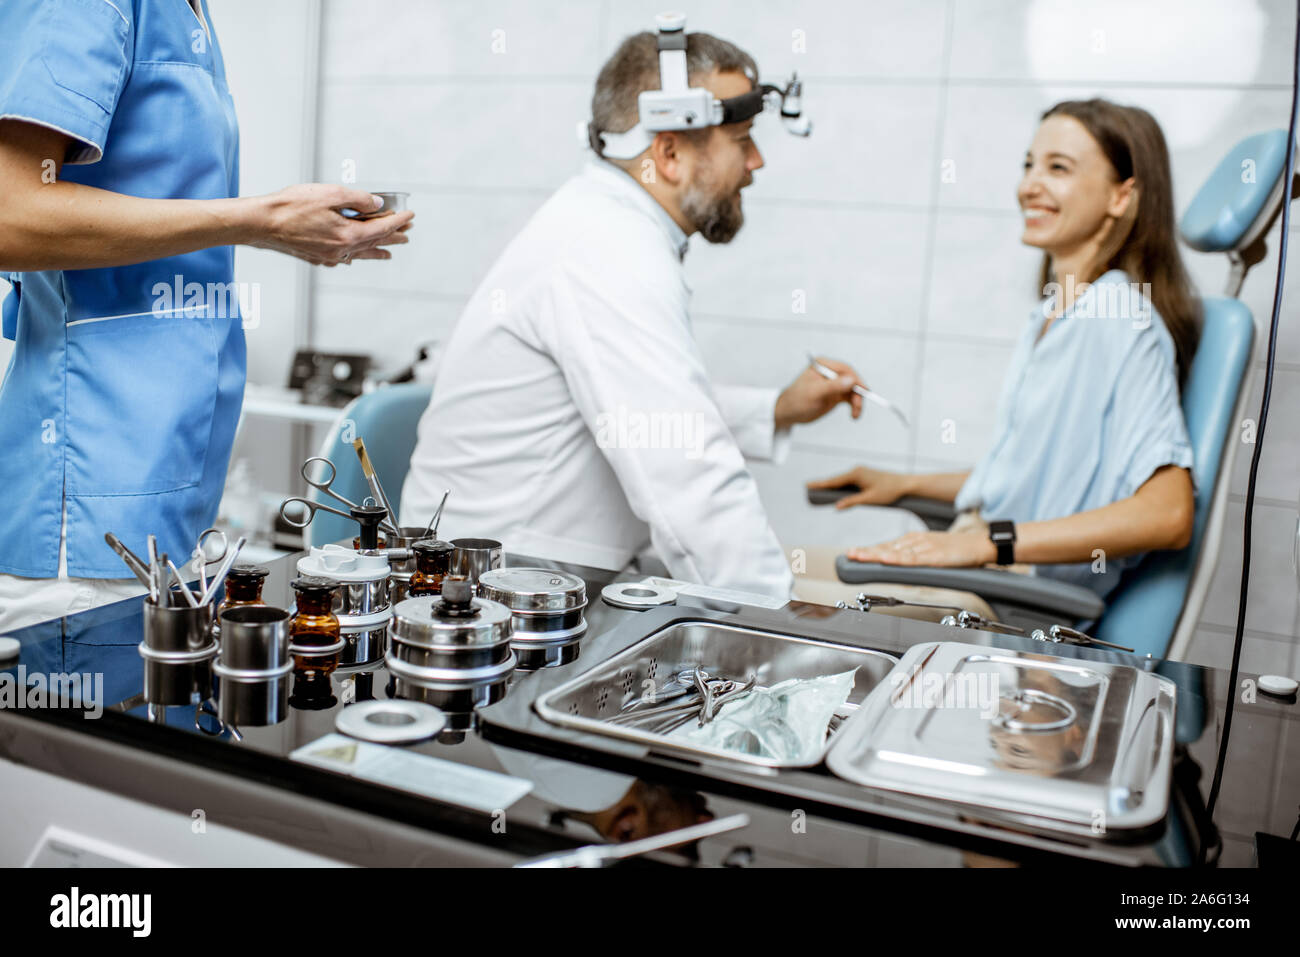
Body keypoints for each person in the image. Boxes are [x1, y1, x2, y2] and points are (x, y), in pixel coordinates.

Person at [401, 30, 864, 600]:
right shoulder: (608, 249)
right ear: (668, 155)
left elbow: (642, 407)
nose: (756, 161)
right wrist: (777, 634)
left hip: (540, 577)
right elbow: (689, 482)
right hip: (494, 604)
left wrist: (774, 411)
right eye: (742, 140)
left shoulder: (606, 228)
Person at [0, 0, 415, 632]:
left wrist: (273, 231)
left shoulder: (189, 13)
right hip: (87, 519)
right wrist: (259, 218)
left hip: (175, 501)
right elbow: (11, 213)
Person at [801, 98, 1200, 612]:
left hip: (1009, 598)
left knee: (766, 588)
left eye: (1058, 168)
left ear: (1122, 196)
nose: (1029, 185)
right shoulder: (1056, 315)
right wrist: (906, 484)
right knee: (760, 571)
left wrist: (987, 542)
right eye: (1029, 165)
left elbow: (1168, 515)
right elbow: (1033, 481)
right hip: (978, 567)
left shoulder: (1122, 319)